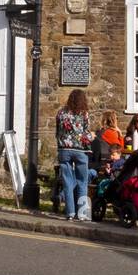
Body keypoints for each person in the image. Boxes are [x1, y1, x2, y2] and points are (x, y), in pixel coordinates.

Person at [55, 89, 93, 221]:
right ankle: (82, 214)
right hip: (81, 151)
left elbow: (57, 132)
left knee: (67, 182)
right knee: (82, 182)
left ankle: (70, 213)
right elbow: (86, 133)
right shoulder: (84, 114)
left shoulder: (61, 113)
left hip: (64, 150)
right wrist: (91, 138)